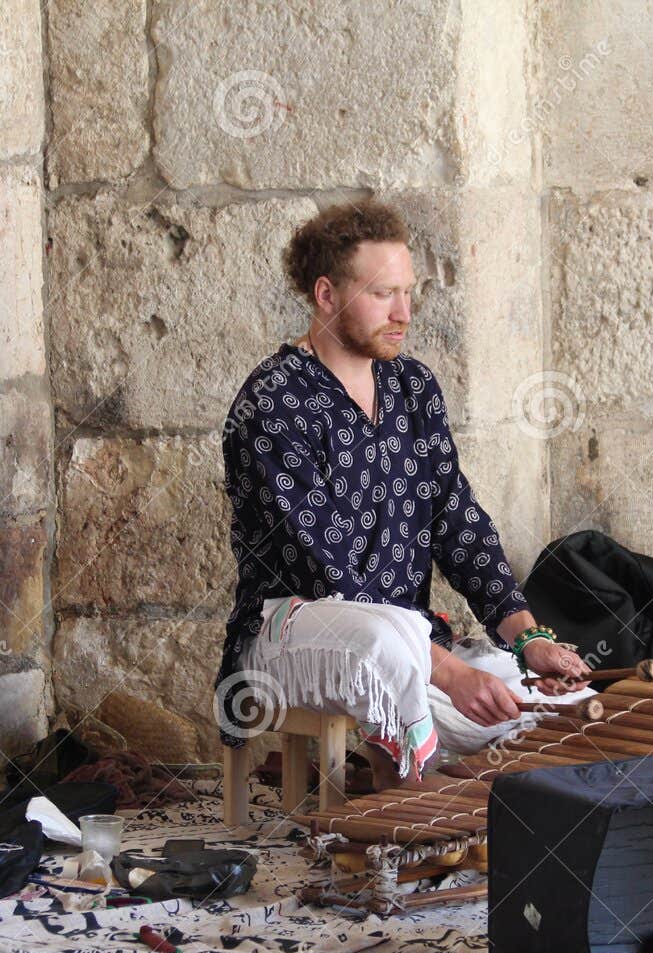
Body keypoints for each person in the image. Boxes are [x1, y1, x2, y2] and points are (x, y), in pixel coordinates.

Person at [213, 200, 592, 788]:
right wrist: (448, 674)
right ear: (326, 295)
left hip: (413, 642)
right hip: (295, 630)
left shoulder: (412, 387)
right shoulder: (273, 402)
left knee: (560, 704)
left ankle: (435, 785)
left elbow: (457, 519)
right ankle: (407, 806)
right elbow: (329, 573)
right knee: (381, 640)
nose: (403, 313)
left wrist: (527, 637)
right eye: (384, 294)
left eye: (408, 293)